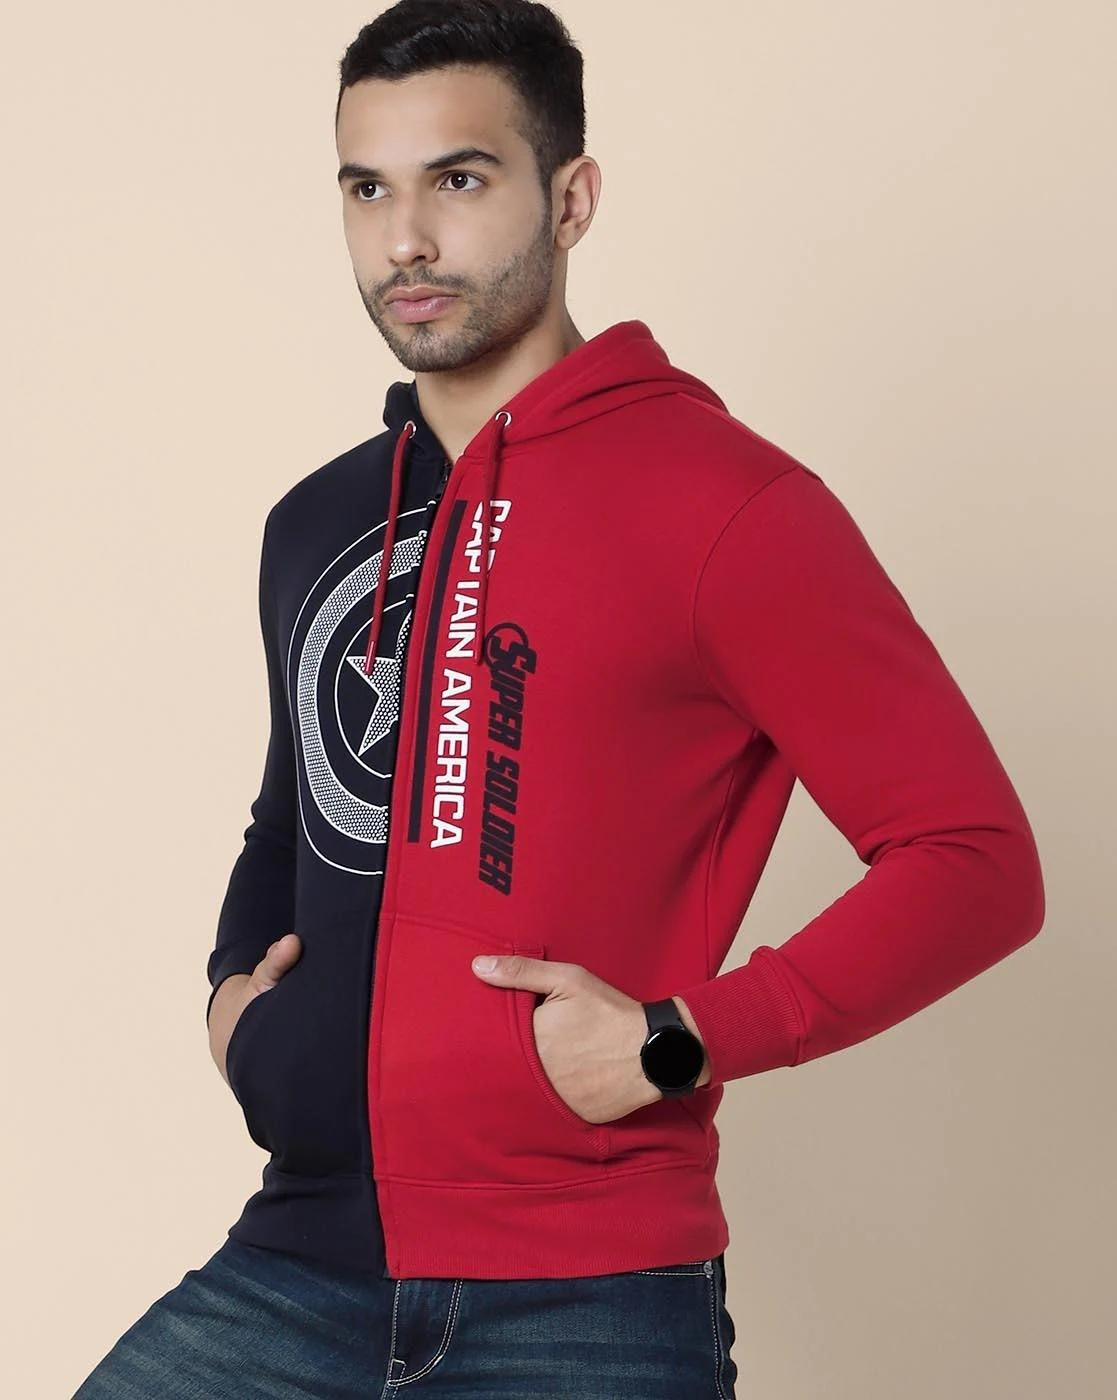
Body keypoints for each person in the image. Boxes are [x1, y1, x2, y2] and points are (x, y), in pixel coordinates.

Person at [73, 1, 1046, 1395]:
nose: (407, 240)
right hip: (297, 1268)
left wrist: (681, 1039)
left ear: (572, 198)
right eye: (368, 190)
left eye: (459, 180)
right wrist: (239, 1012)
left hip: (586, 1301)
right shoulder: (319, 522)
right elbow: (297, 814)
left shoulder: (727, 506)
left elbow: (975, 858)